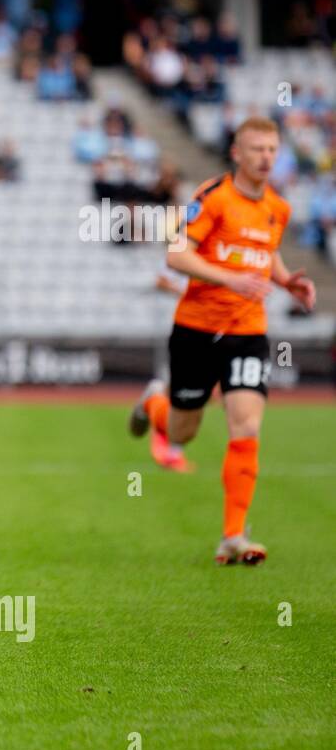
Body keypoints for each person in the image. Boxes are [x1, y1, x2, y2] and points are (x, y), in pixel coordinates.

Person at [128, 118, 317, 566]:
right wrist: (231, 278)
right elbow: (176, 254)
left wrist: (286, 279)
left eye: (272, 149)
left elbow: (264, 249)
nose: (266, 157)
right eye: (257, 149)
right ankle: (154, 401)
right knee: (182, 431)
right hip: (195, 327)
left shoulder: (278, 207)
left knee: (246, 424)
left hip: (247, 331)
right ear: (237, 153)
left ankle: (233, 536)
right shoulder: (213, 197)